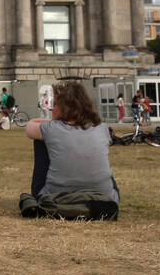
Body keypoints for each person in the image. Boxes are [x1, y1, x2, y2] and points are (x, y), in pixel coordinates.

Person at [22, 81, 119, 218]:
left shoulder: (51, 129)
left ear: (64, 107)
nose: (51, 109)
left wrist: (49, 122)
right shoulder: (102, 128)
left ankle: (46, 193)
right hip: (107, 198)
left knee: (40, 139)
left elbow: (29, 127)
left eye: (55, 104)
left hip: (55, 196)